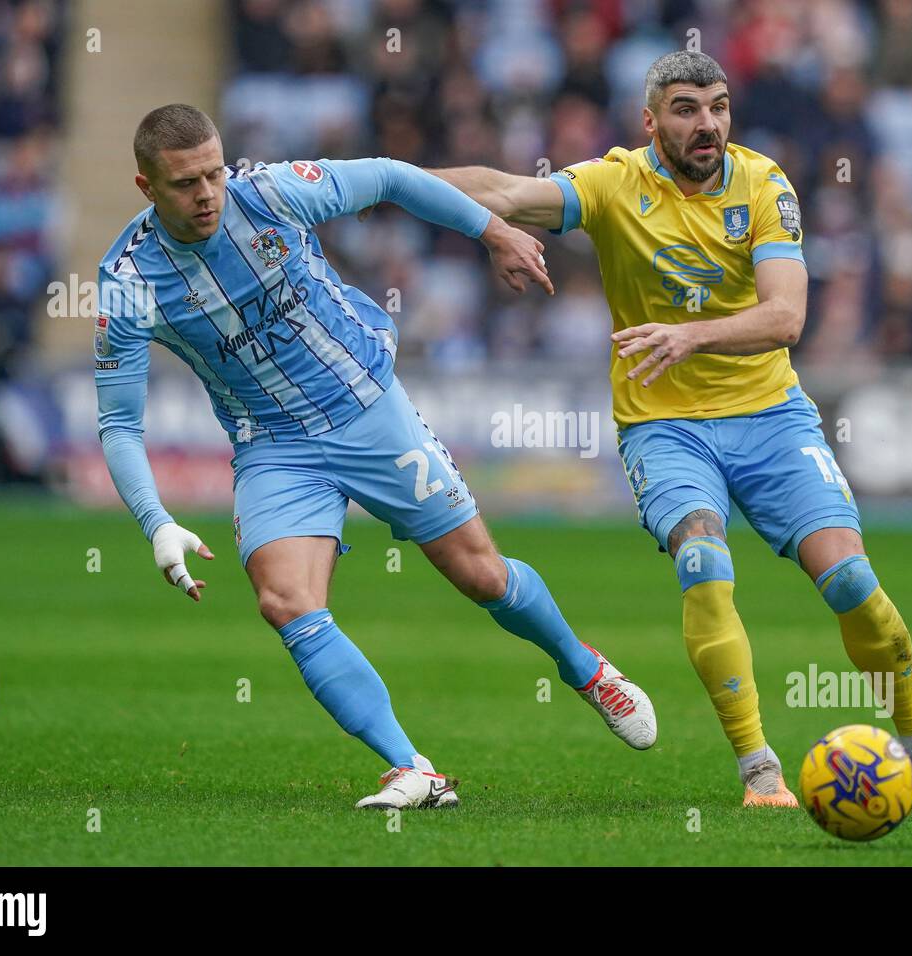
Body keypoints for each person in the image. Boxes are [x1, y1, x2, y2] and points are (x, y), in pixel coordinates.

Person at [429, 52, 912, 808]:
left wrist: (690, 335)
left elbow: (788, 316)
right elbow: (501, 189)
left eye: (719, 107)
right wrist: (378, 182)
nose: (708, 125)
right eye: (688, 109)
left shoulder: (764, 183)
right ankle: (758, 766)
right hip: (664, 425)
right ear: (651, 120)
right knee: (702, 560)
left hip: (770, 416)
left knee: (854, 581)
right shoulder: (611, 183)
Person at [94, 104, 657, 811]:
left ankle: (586, 669)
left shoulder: (270, 192)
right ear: (147, 188)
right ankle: (411, 768)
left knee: (480, 574)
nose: (208, 194)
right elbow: (118, 422)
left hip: (366, 406)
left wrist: (494, 231)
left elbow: (391, 176)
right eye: (186, 184)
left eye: (213, 172)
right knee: (285, 601)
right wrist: (156, 521)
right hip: (274, 447)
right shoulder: (126, 280)